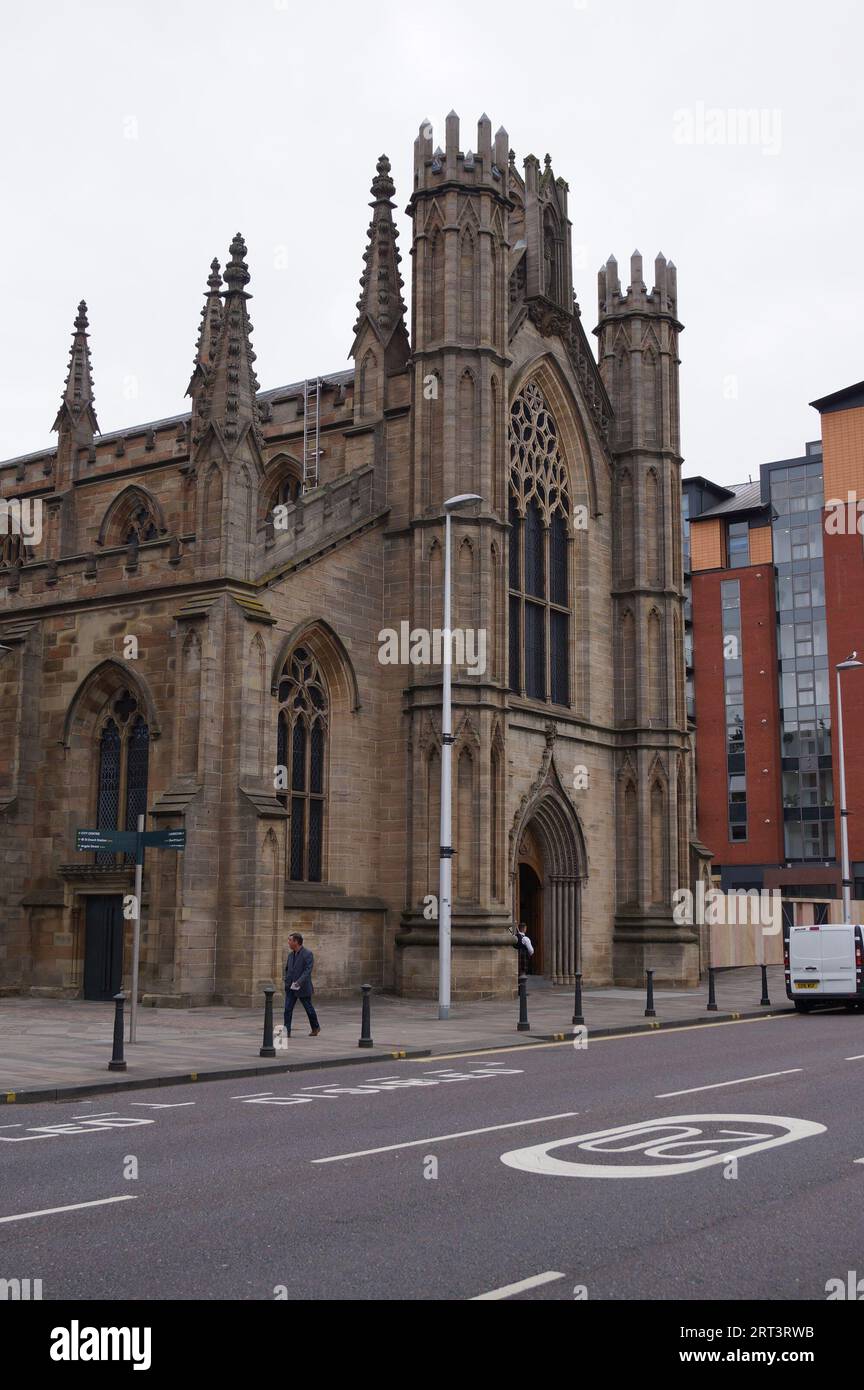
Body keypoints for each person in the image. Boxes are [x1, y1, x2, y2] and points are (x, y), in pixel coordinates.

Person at [283, 933, 320, 1037]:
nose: (288, 942)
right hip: (290, 987)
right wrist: (287, 981)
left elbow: (307, 971)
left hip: (302, 987)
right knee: (287, 1009)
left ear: (296, 942)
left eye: (290, 940)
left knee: (308, 1008)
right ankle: (287, 1031)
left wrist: (299, 982)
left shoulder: (307, 954)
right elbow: (288, 969)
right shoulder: (290, 955)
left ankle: (315, 1027)